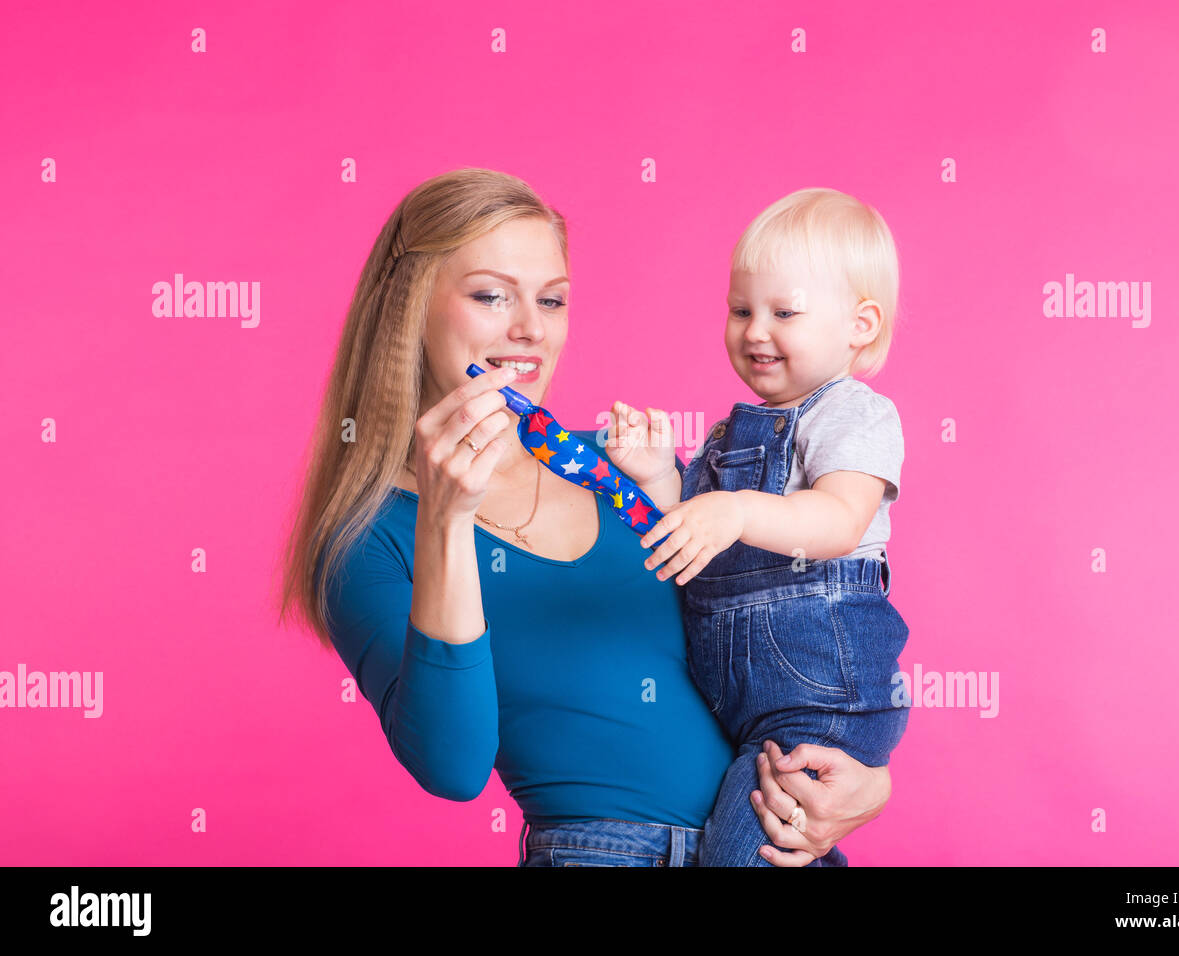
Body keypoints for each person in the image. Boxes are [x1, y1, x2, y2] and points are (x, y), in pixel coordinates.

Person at [277, 168, 894, 866]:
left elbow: (775, 632)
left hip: (762, 843)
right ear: (409, 311)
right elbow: (452, 766)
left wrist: (866, 774)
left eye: (552, 299)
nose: (529, 330)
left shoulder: (621, 469)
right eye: (490, 296)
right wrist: (446, 523)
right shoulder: (369, 540)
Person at [609, 188, 910, 866]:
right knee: (779, 848)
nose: (754, 331)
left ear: (860, 324)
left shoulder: (853, 417)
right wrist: (657, 473)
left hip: (820, 707)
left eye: (784, 312)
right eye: (740, 310)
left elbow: (837, 521)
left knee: (741, 853)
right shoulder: (726, 438)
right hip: (738, 710)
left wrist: (738, 509)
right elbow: (691, 540)